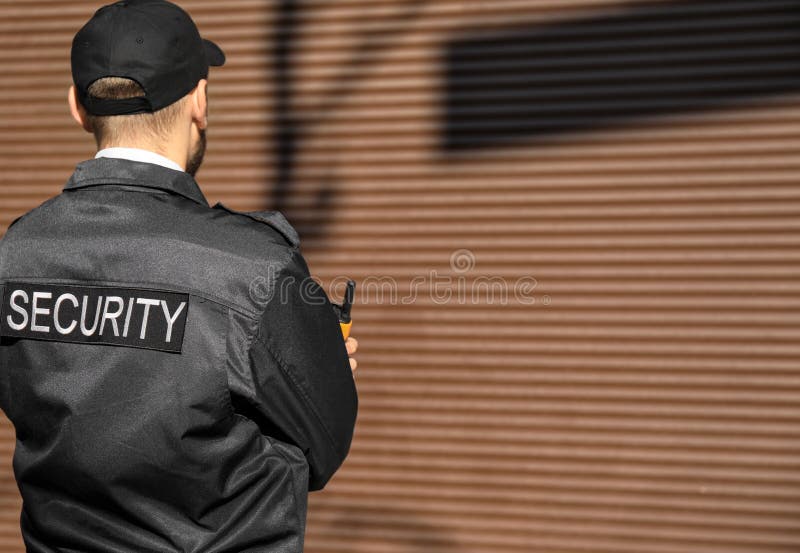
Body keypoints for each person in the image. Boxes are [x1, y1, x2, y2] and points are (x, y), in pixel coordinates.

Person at [0, 0, 359, 551]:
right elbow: (324, 444)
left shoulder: (16, 254)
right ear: (199, 100)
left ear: (77, 108)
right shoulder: (254, 268)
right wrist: (317, 366)